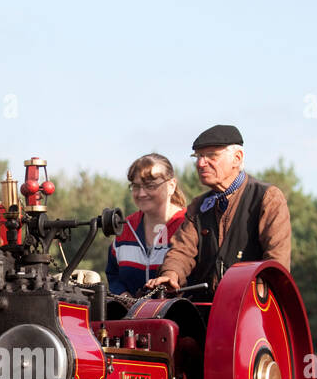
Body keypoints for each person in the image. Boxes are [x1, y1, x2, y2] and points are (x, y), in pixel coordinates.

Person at [146, 125, 291, 295]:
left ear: (237, 158)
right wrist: (171, 274)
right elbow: (181, 251)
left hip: (251, 311)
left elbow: (276, 263)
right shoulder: (198, 206)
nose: (200, 163)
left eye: (211, 156)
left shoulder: (267, 198)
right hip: (206, 312)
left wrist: (258, 297)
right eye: (198, 156)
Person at [106, 153, 187, 299]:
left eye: (150, 186)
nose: (141, 193)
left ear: (171, 186)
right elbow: (113, 274)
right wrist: (124, 297)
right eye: (136, 186)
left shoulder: (188, 226)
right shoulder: (126, 227)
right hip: (131, 318)